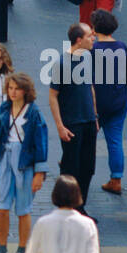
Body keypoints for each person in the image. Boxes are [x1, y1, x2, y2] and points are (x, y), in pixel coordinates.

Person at [0, 72, 49, 253]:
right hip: (5, 158)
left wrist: (39, 173)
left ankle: (22, 251)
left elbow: (41, 143)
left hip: (25, 162)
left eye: (16, 89)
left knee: (23, 208)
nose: (12, 92)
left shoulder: (34, 112)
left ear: (25, 91)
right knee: (1, 206)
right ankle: (1, 249)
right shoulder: (4, 108)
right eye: (10, 88)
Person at [45, 22, 98, 209]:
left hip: (89, 122)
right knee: (71, 169)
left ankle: (80, 206)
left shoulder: (87, 58)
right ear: (78, 40)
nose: (93, 38)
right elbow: (53, 96)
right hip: (72, 124)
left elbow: (90, 88)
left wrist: (95, 115)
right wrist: (60, 126)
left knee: (88, 168)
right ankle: (67, 207)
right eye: (89, 36)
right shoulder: (61, 64)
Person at [90, 8, 127, 195]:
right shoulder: (122, 47)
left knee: (88, 140)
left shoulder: (92, 50)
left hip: (96, 104)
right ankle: (116, 178)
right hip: (118, 102)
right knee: (115, 141)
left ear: (94, 29)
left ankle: (81, 173)